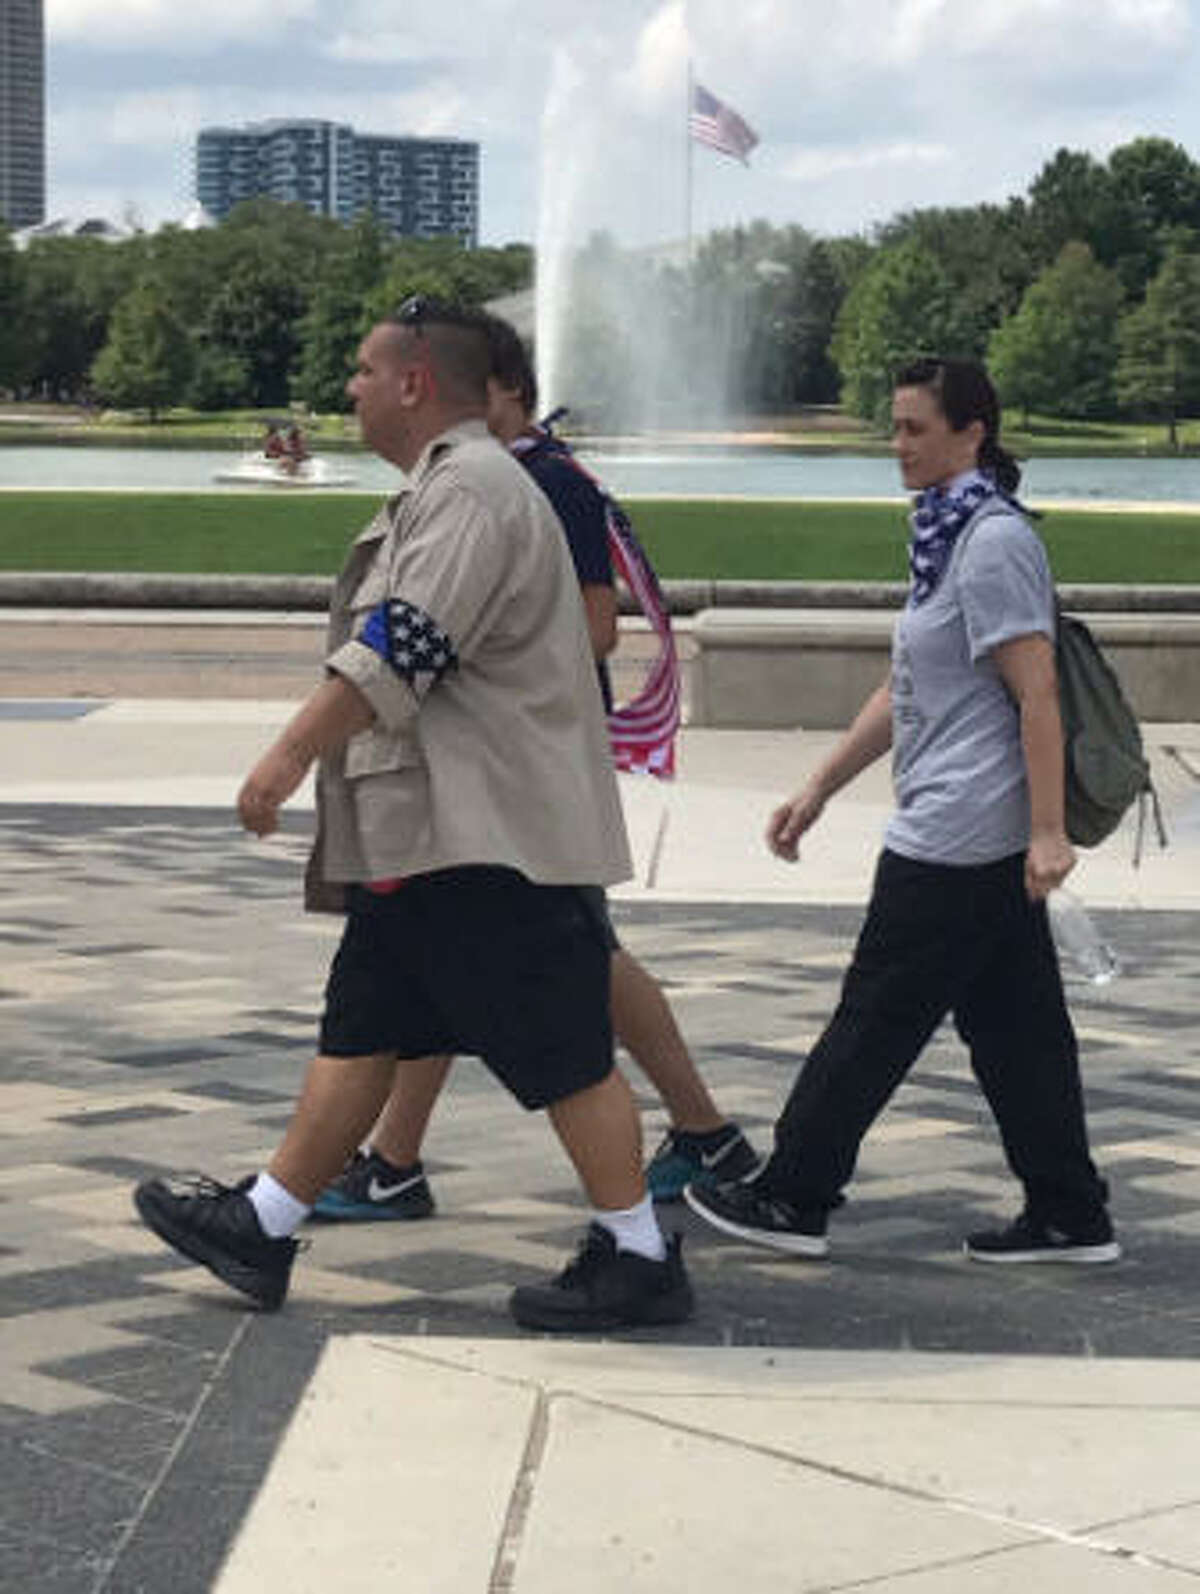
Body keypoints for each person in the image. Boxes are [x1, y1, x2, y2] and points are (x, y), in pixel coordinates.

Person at [132, 298, 694, 1332]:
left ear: (414, 382)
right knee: (365, 1026)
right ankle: (264, 1221)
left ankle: (639, 1254)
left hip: (485, 833)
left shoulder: (473, 490)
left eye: (361, 370)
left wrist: (289, 754)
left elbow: (406, 640)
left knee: (563, 1048)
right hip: (438, 825)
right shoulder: (454, 484)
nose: (349, 387)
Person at [311, 316, 757, 1223]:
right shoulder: (496, 480)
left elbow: (593, 628)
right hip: (500, 776)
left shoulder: (540, 484)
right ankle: (391, 1160)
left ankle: (689, 1150)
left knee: (563, 974)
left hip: (520, 771)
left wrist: (474, 654)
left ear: (501, 391)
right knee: (447, 966)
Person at [686, 357, 1119, 1266]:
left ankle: (794, 1193)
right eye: (894, 427)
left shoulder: (991, 541)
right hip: (967, 824)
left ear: (972, 434)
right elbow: (907, 686)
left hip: (962, 829)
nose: (898, 445)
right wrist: (819, 786)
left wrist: (1049, 832)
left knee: (876, 1014)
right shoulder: (947, 532)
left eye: (915, 428)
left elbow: (1038, 693)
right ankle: (1069, 1213)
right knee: (1016, 1028)